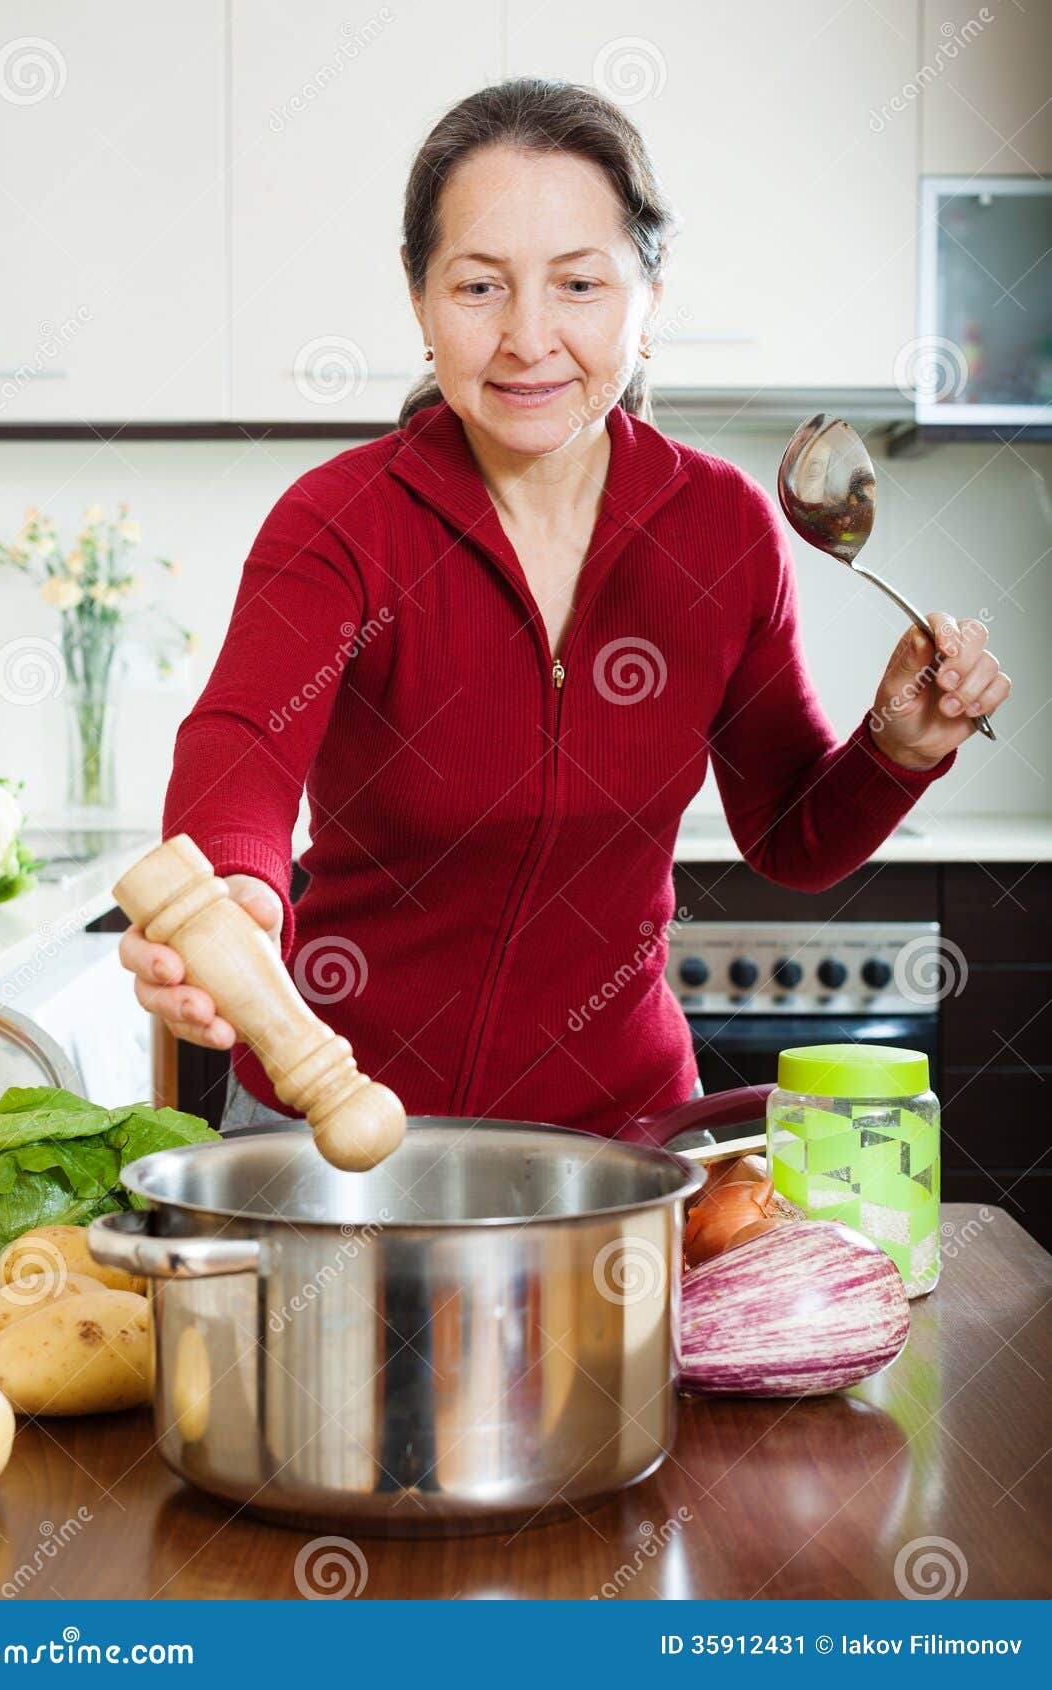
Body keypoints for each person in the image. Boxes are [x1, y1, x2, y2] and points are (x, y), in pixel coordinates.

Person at [119, 78, 1009, 1137]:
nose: (527, 338)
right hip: (337, 1125)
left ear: (650, 296)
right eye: (479, 287)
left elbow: (790, 834)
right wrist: (232, 893)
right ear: (419, 302)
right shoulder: (341, 520)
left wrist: (895, 747)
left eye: (579, 285)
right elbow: (242, 739)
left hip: (617, 1143)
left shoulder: (718, 527)